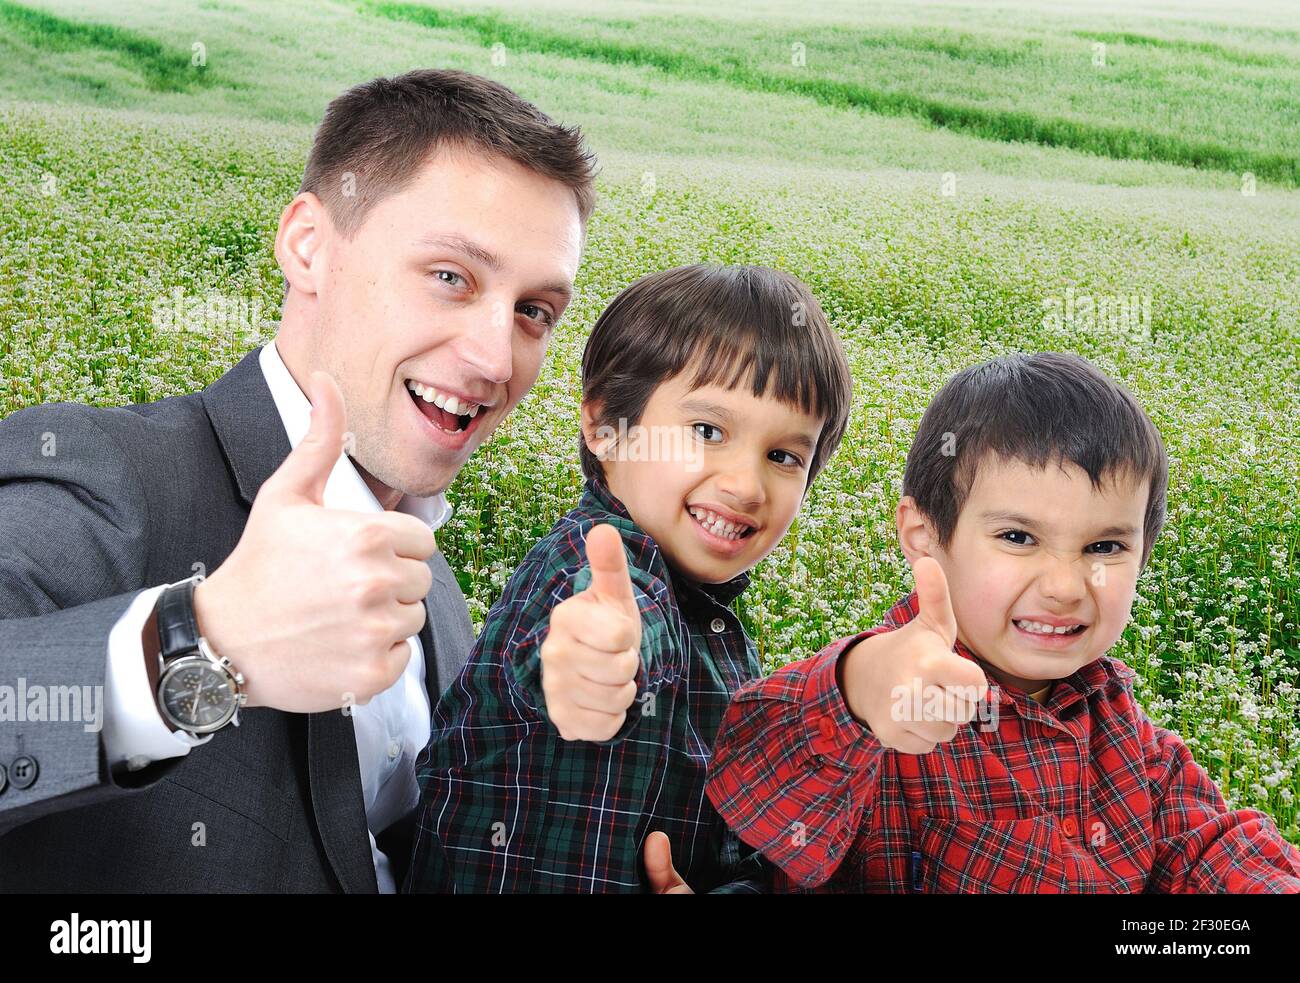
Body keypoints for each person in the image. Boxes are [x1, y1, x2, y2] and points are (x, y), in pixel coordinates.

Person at [0, 68, 596, 892]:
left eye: (535, 310)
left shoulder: (439, 600)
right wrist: (207, 642)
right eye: (450, 276)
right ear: (308, 245)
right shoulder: (112, 476)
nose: (497, 358)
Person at [706, 352, 1300, 893]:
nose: (1065, 587)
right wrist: (857, 687)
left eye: (1105, 548)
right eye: (1018, 537)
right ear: (924, 535)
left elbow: (1214, 849)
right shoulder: (889, 706)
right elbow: (753, 772)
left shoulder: (1120, 728)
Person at [407, 264, 852, 892]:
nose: (746, 485)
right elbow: (591, 636)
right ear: (604, 427)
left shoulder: (708, 619)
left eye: (783, 456)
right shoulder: (596, 575)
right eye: (707, 431)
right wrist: (589, 660)